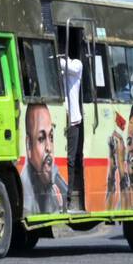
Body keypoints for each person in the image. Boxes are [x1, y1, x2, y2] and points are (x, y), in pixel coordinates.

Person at [20, 103, 68, 214]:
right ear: (28, 146)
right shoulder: (25, 196)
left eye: (51, 137)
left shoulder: (53, 175)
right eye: (41, 138)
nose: (49, 147)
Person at [59, 54, 85, 211]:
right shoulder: (61, 69)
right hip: (60, 119)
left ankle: (68, 197)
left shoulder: (76, 64)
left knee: (70, 159)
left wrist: (58, 59)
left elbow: (69, 66)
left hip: (73, 120)